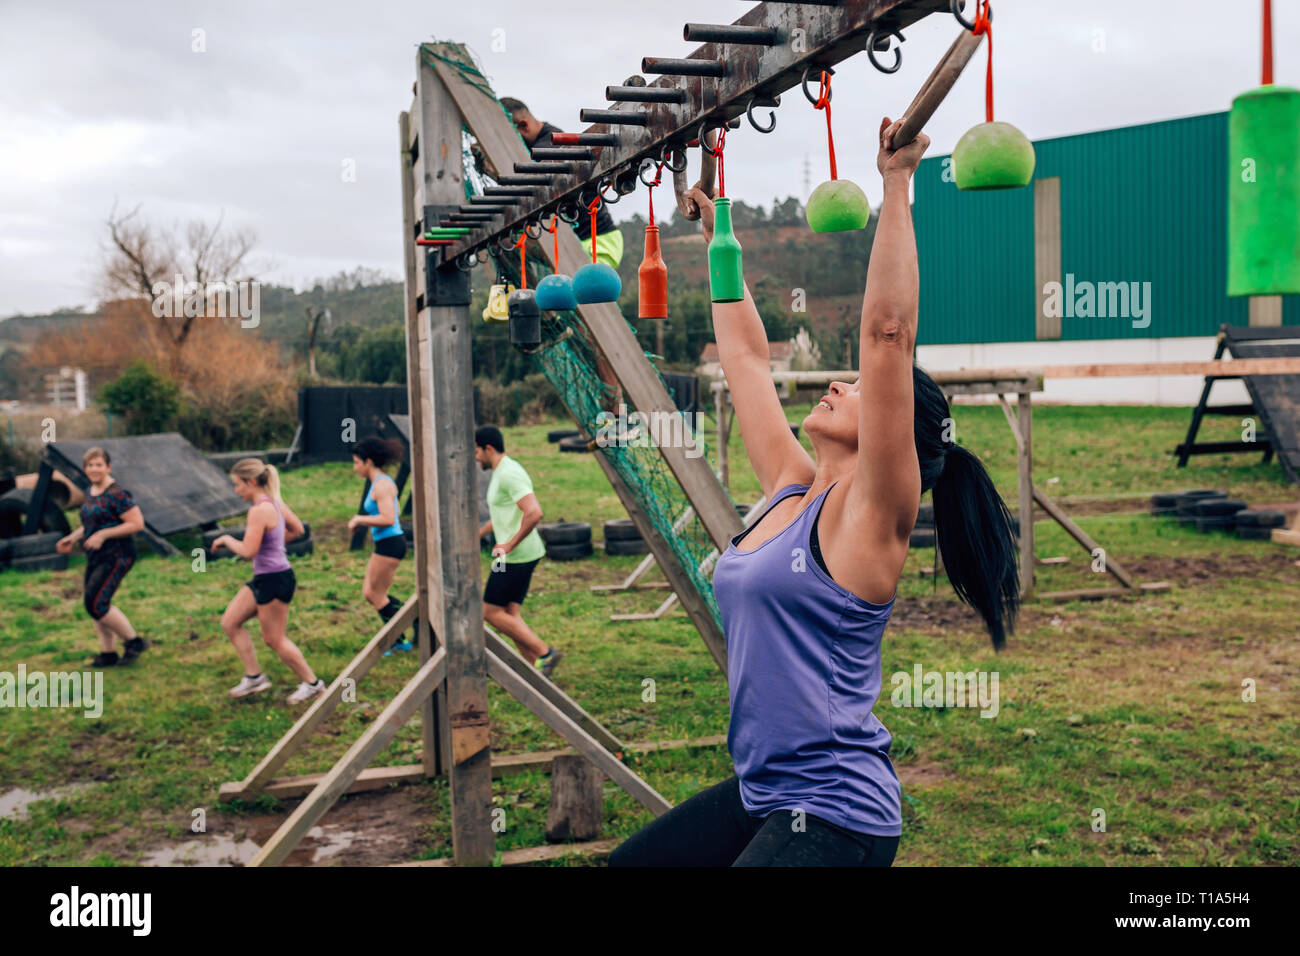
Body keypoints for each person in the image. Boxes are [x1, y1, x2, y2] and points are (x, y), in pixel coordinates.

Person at [608, 118, 1020, 867]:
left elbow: (888, 333)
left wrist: (897, 184)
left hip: (834, 808)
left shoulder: (870, 522)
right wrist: (719, 235)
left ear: (896, 432)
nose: (838, 382)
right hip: (765, 790)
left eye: (859, 388)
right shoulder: (791, 489)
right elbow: (743, 354)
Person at [213, 459, 326, 704]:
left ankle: (313, 684)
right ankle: (255, 678)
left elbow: (248, 550)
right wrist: (273, 544)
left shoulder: (259, 510)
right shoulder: (274, 503)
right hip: (265, 576)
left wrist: (225, 539)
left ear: (251, 481)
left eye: (237, 485)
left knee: (274, 638)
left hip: (274, 579)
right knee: (230, 622)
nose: (236, 491)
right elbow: (297, 530)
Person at [473, 425, 562, 677]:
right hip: (519, 554)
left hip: (515, 556)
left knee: (488, 611)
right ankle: (535, 668)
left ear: (488, 448)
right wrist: (478, 534)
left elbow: (534, 512)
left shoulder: (509, 473)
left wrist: (510, 544)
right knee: (510, 614)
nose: (475, 457)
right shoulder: (500, 471)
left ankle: (546, 653)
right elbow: (503, 514)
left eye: (476, 451)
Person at [495, 98, 624, 270]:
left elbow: (526, 191)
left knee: (587, 293)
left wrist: (495, 172)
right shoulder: (546, 143)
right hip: (575, 239)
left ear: (524, 126)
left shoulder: (548, 148)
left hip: (596, 242)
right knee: (504, 243)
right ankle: (527, 293)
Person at [55, 447, 148, 667]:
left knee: (97, 603)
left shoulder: (118, 493)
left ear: (108, 467)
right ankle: (108, 653)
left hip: (118, 555)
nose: (94, 469)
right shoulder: (91, 490)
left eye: (98, 464)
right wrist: (72, 537)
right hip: (96, 555)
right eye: (89, 465)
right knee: (95, 604)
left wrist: (103, 534)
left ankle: (134, 642)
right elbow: (91, 524)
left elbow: (136, 524)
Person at [346, 437, 412, 653]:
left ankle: (400, 637)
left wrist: (359, 519)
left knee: (376, 594)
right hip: (385, 543)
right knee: (370, 593)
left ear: (369, 462)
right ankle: (409, 621)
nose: (355, 467)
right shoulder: (379, 482)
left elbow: (389, 518)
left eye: (357, 462)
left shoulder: (382, 484)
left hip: (390, 544)